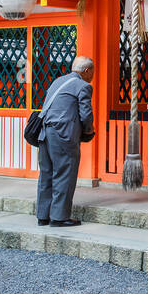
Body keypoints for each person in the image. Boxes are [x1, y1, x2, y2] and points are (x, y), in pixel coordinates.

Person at [36, 56, 94, 227]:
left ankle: (43, 216)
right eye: (92, 72)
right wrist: (89, 131)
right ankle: (59, 217)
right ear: (86, 71)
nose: (92, 76)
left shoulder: (57, 81)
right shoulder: (83, 86)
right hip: (63, 135)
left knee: (46, 174)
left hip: (44, 133)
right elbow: (86, 114)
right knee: (65, 174)